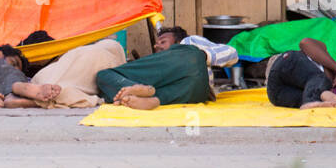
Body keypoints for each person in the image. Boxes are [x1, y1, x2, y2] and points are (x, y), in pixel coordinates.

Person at [93, 27, 238, 110]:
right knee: (108, 86)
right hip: (195, 93)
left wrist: (201, 56)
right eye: (156, 44)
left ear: (178, 41)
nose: (157, 46)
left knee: (104, 75)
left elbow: (232, 53)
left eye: (163, 41)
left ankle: (144, 91)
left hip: (192, 62)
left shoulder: (189, 42)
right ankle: (150, 97)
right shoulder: (160, 64)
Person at [3, 37, 127, 108]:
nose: (12, 70)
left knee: (108, 48)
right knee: (65, 84)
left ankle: (25, 93)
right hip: (47, 80)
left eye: (14, 65)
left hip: (43, 79)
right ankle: (29, 95)